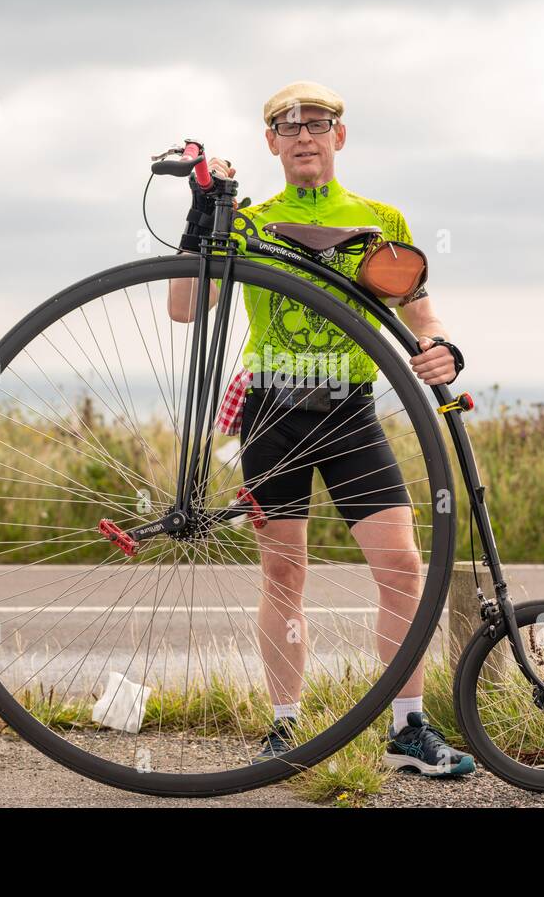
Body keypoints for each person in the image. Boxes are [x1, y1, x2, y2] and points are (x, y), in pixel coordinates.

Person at [167, 81, 473, 777]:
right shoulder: (249, 221)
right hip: (272, 410)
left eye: (319, 123)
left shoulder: (379, 217)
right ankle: (284, 728)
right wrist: (200, 221)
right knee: (284, 572)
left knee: (401, 565)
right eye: (287, 125)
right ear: (270, 142)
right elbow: (186, 308)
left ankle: (406, 728)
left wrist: (443, 347)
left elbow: (422, 315)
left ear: (340, 135)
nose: (304, 135)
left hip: (350, 409)